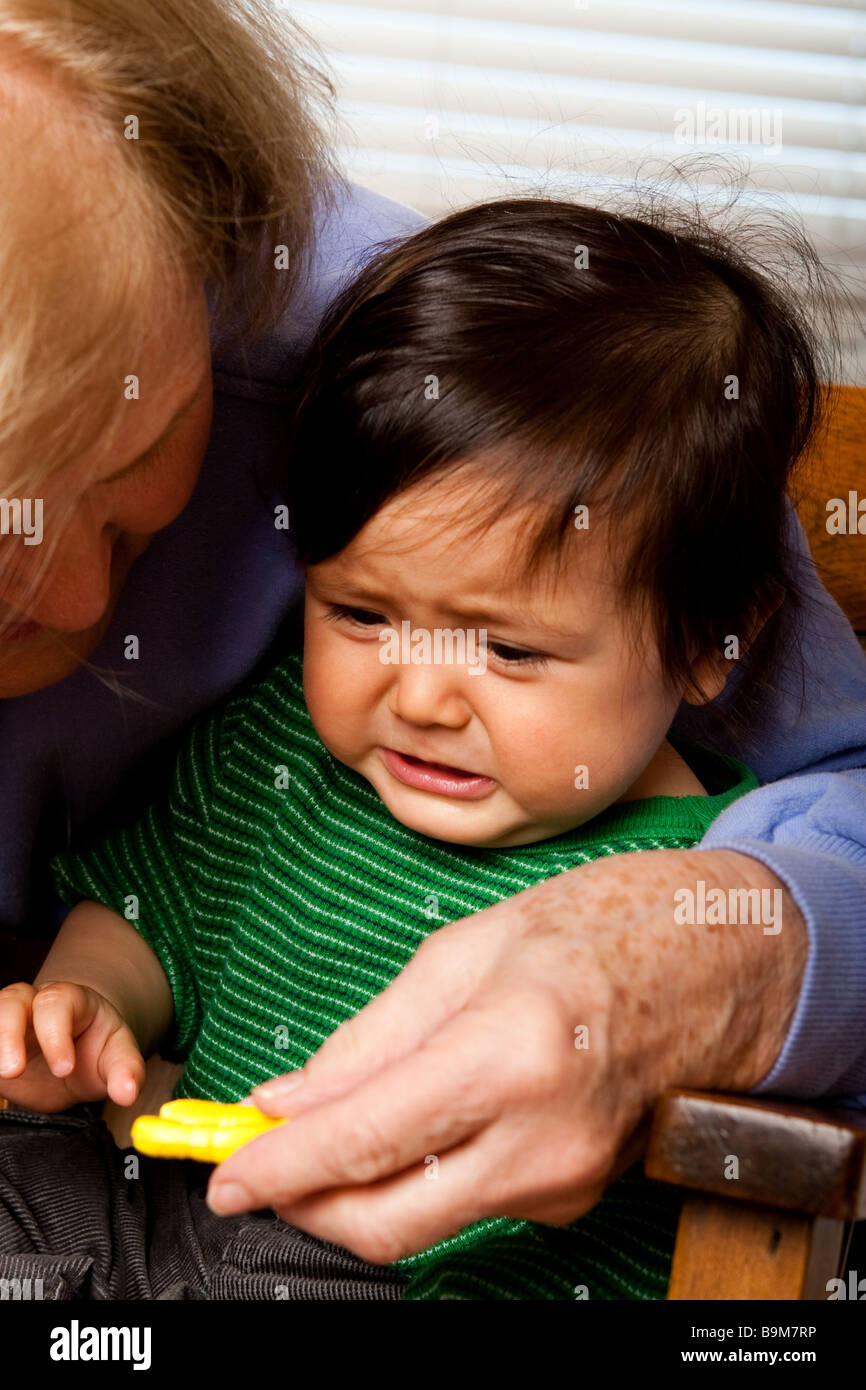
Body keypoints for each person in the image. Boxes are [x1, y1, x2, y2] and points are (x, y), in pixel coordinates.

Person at [0, 0, 864, 1271]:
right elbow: (146, 916)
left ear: (704, 648)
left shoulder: (448, 389)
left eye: (509, 652)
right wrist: (83, 1014)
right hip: (147, 1198)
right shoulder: (267, 767)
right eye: (357, 615)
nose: (80, 605)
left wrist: (713, 954)